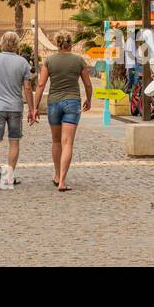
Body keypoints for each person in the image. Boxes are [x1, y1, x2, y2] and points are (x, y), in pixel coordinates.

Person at [32, 32, 93, 192]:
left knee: (56, 141)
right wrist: (89, 99)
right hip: (72, 103)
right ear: (70, 44)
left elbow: (40, 85)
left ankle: (57, 174)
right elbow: (87, 83)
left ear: (57, 44)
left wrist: (35, 107)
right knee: (68, 143)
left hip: (53, 104)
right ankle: (62, 182)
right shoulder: (79, 60)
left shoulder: (49, 60)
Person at [0, 32, 35, 189]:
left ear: (2, 43)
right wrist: (32, 109)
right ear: (17, 44)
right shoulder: (23, 62)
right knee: (14, 141)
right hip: (16, 107)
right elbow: (28, 88)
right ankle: (8, 178)